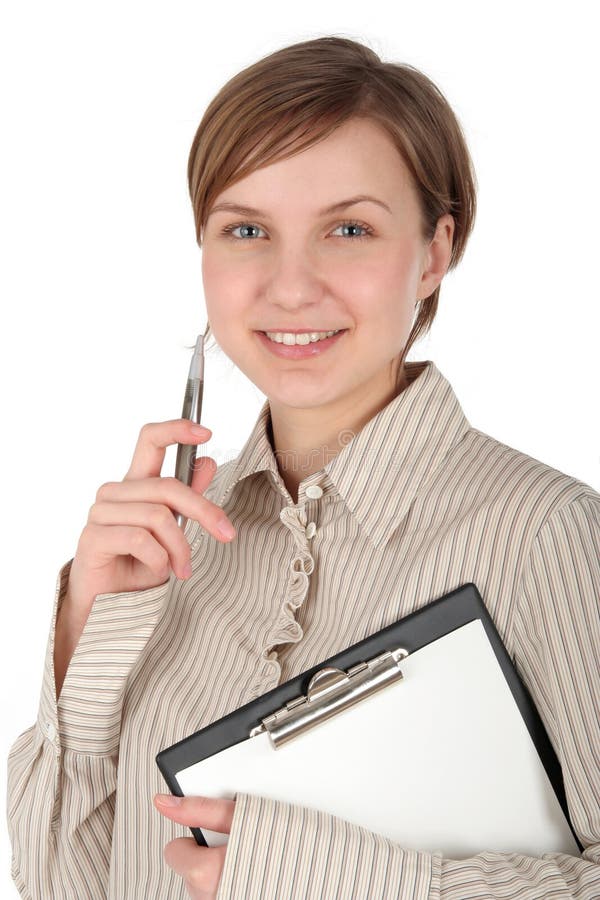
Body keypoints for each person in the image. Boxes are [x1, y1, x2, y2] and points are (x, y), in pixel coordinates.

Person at [7, 34, 599, 900]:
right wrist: (84, 635)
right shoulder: (168, 548)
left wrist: (323, 875)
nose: (290, 286)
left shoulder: (549, 534)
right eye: (246, 229)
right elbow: (63, 884)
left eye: (348, 229)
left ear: (435, 254)